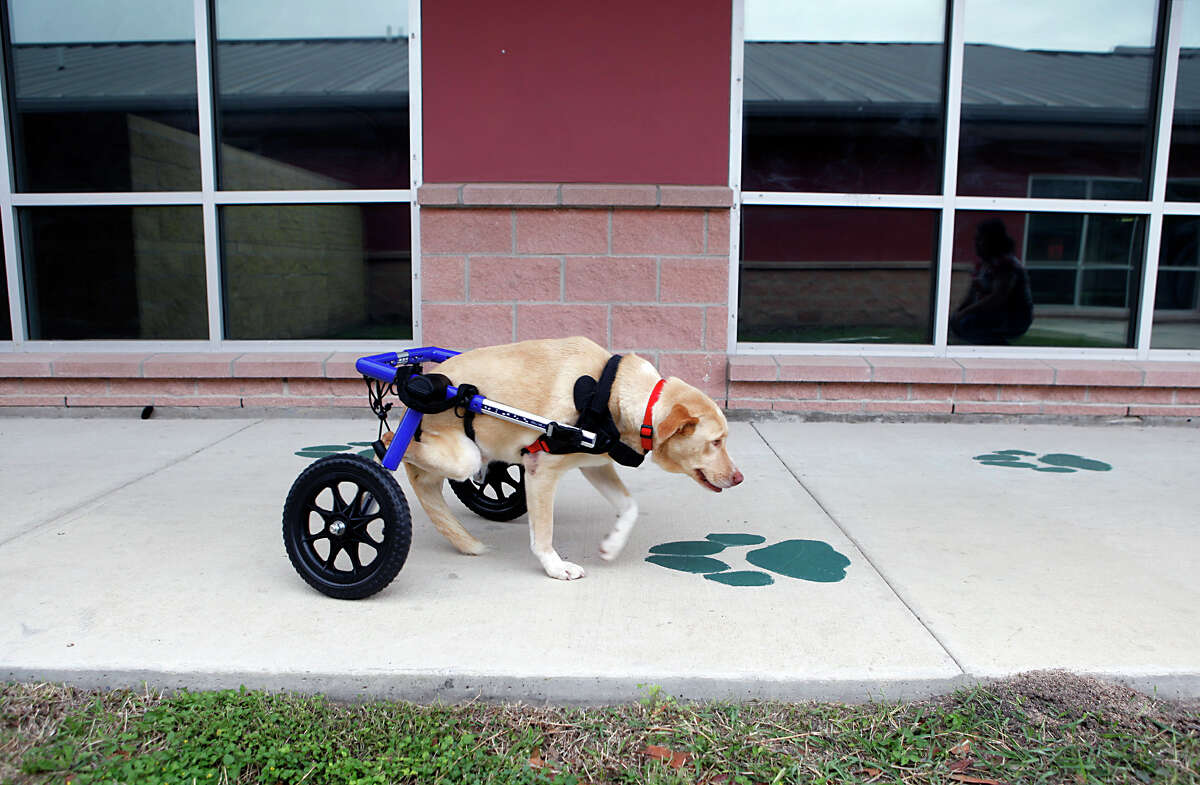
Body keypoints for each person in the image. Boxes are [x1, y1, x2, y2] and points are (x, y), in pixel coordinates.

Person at [949, 219, 1034, 345]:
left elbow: (997, 298)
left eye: (981, 239)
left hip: (1012, 317)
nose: (976, 244)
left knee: (969, 324)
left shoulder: (1006, 265)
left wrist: (964, 313)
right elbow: (972, 292)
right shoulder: (983, 265)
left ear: (993, 241)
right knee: (960, 324)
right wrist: (957, 313)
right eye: (976, 239)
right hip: (990, 314)